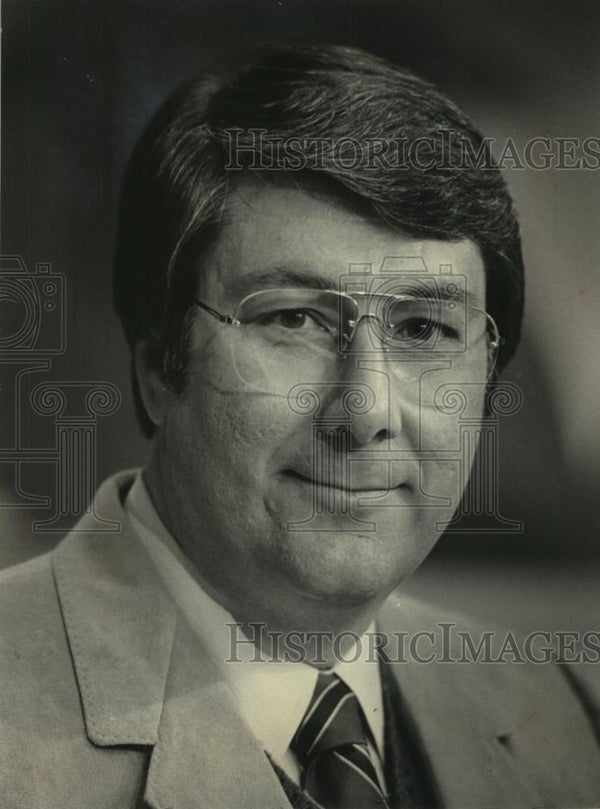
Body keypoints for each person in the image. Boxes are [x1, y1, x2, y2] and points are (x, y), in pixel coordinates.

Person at [1, 43, 599, 809]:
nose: (366, 411)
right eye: (293, 318)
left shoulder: (556, 716)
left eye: (424, 329)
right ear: (158, 366)